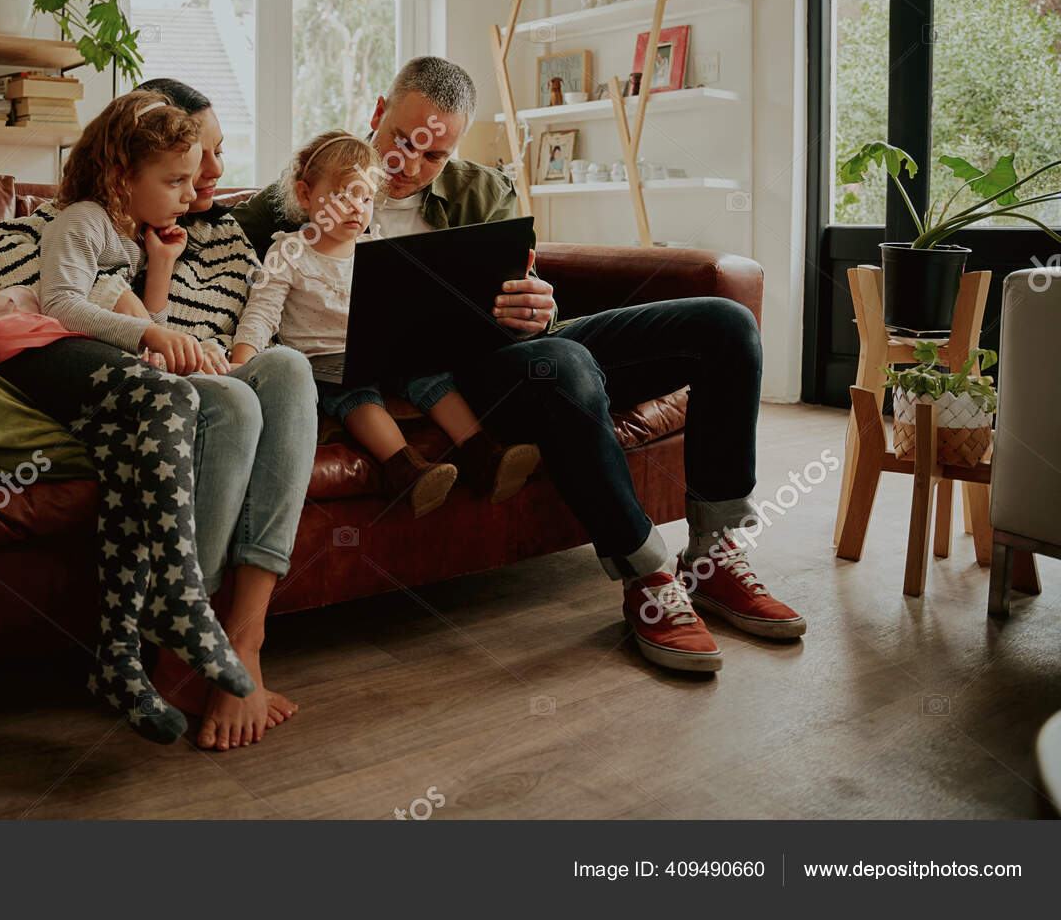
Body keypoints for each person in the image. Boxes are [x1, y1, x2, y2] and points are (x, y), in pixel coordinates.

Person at [232, 56, 806, 674]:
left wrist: (539, 305)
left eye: (434, 156)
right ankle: (649, 578)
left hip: (513, 352)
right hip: (463, 383)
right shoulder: (319, 185)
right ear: (378, 112)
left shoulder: (484, 191)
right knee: (566, 364)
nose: (413, 167)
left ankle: (715, 558)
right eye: (404, 141)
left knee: (726, 326)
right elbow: (214, 245)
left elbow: (526, 294)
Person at [0, 79, 316, 750]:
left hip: (209, 362)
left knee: (287, 369)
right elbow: (24, 282)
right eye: (191, 162)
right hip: (148, 370)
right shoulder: (79, 219)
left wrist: (226, 350)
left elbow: (262, 311)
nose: (211, 173)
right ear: (131, 170)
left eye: (216, 155)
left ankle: (245, 639)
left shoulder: (223, 231)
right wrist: (129, 301)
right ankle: (184, 637)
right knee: (232, 402)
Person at [231, 130, 538, 518]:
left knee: (429, 373)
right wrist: (241, 362)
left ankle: (482, 453)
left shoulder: (374, 246)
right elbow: (261, 313)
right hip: (325, 364)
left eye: (365, 197)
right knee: (356, 393)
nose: (356, 208)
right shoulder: (289, 252)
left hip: (382, 349)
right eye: (343, 196)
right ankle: (405, 469)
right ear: (306, 195)